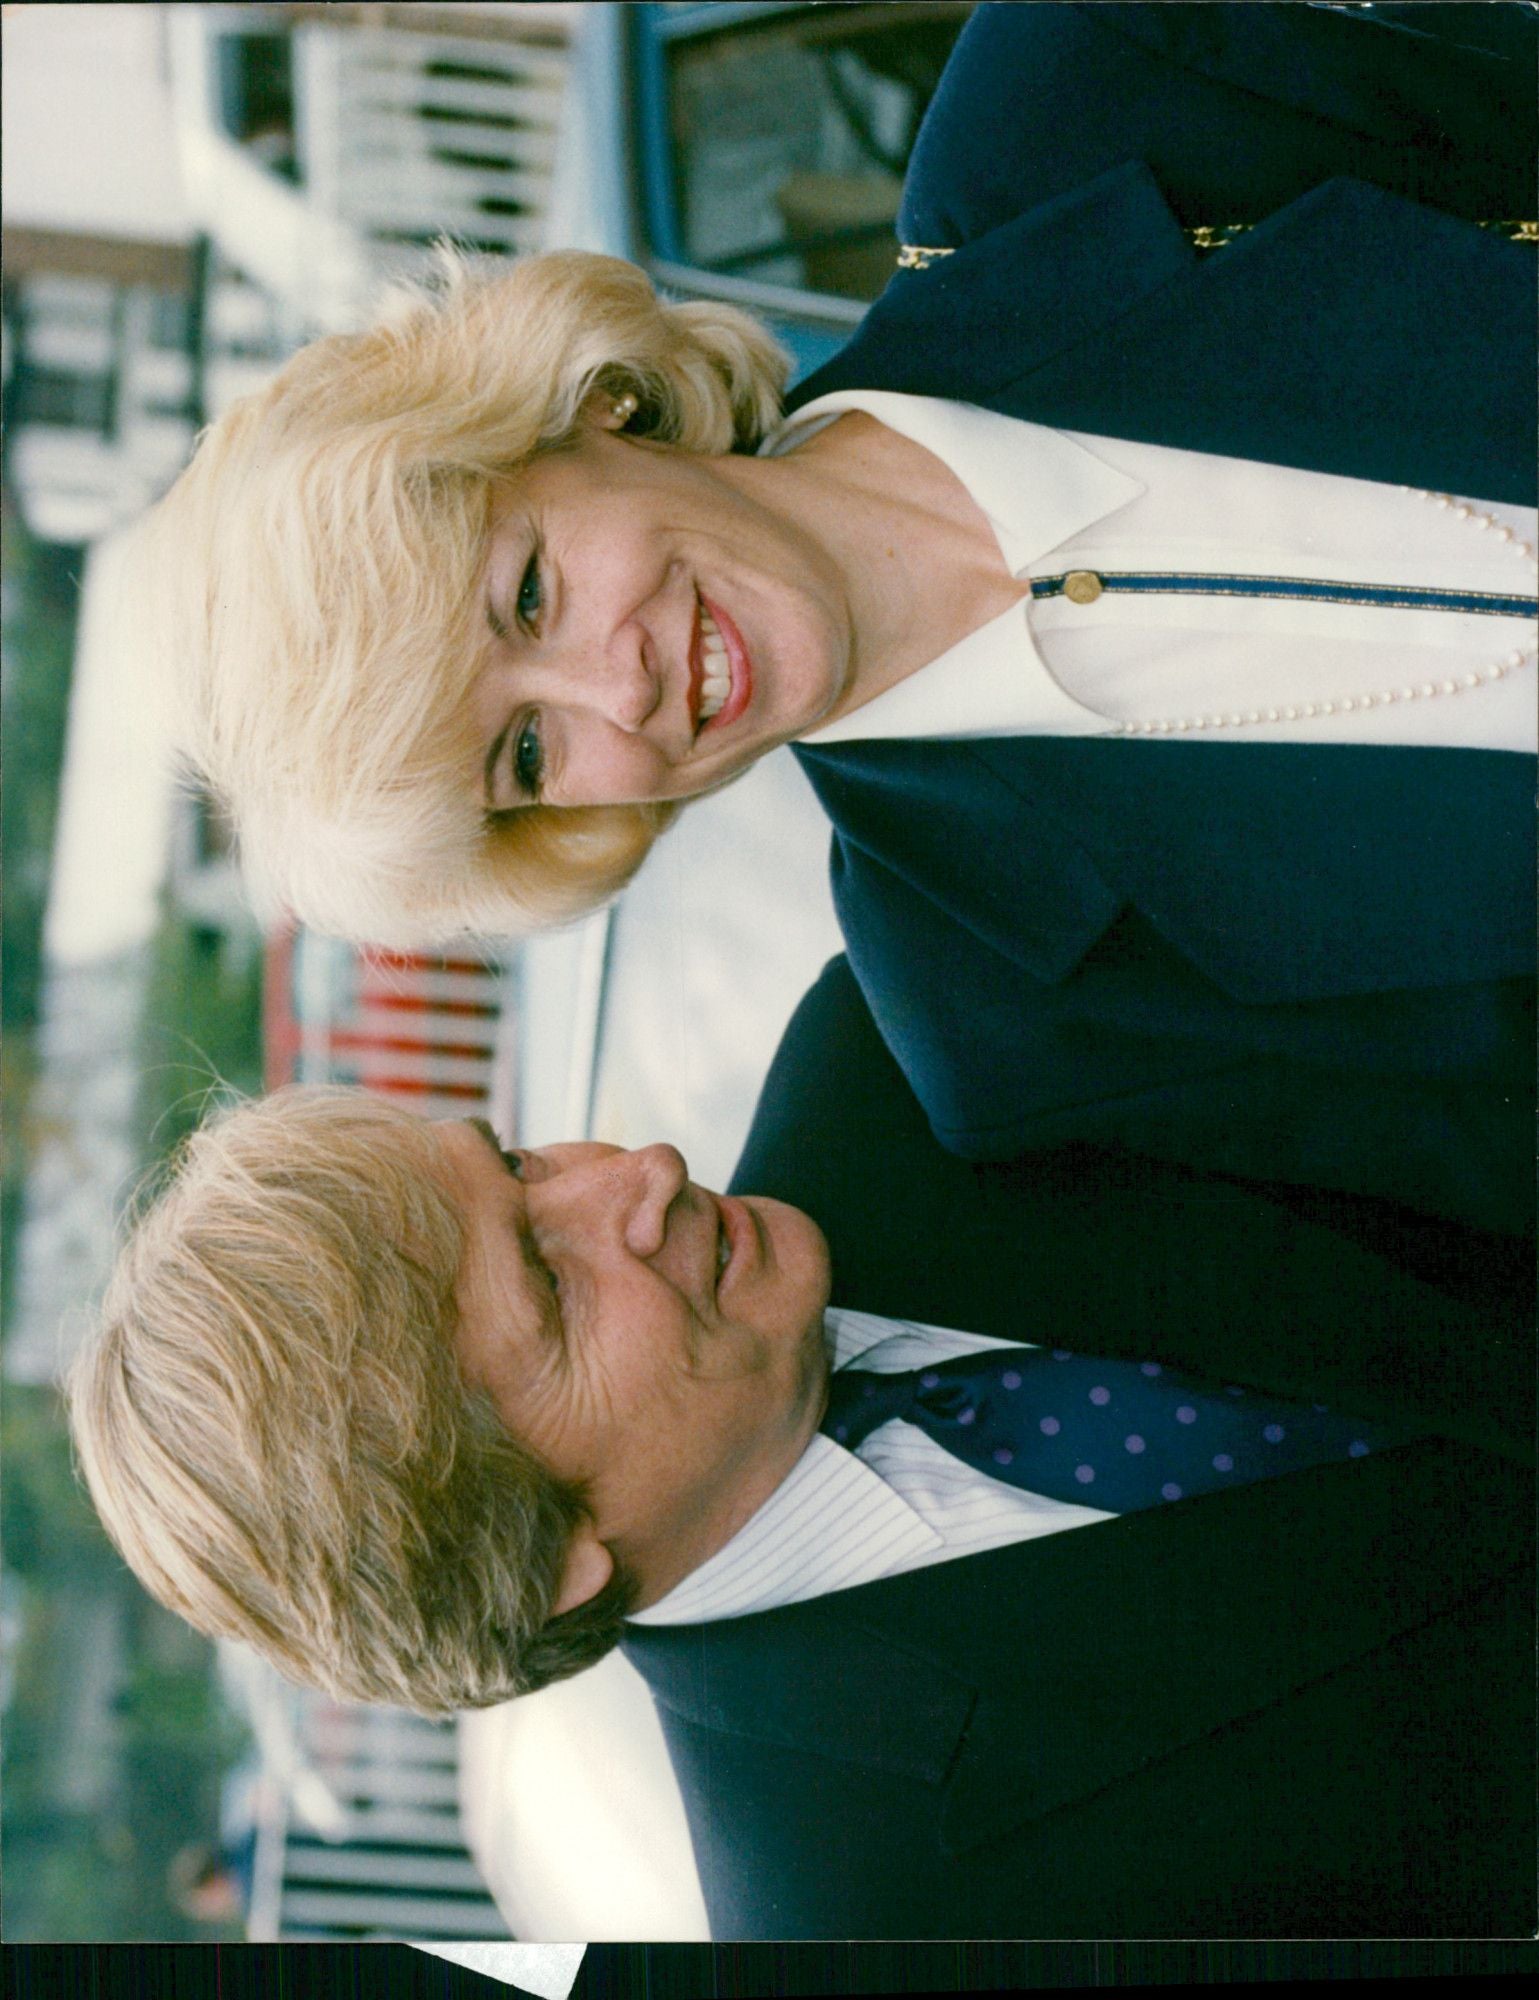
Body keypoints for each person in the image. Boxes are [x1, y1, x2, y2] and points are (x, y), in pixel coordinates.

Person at [138, 4, 1535, 1240]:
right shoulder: (1008, 1024)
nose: (613, 696)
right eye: (524, 754)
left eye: (527, 596)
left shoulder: (1073, 95)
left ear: (582, 414)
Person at [67, 956, 1531, 1936]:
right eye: (553, 1280)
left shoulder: (910, 1035)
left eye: (515, 1161)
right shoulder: (869, 1915)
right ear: (555, 1565)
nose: (633, 1178)